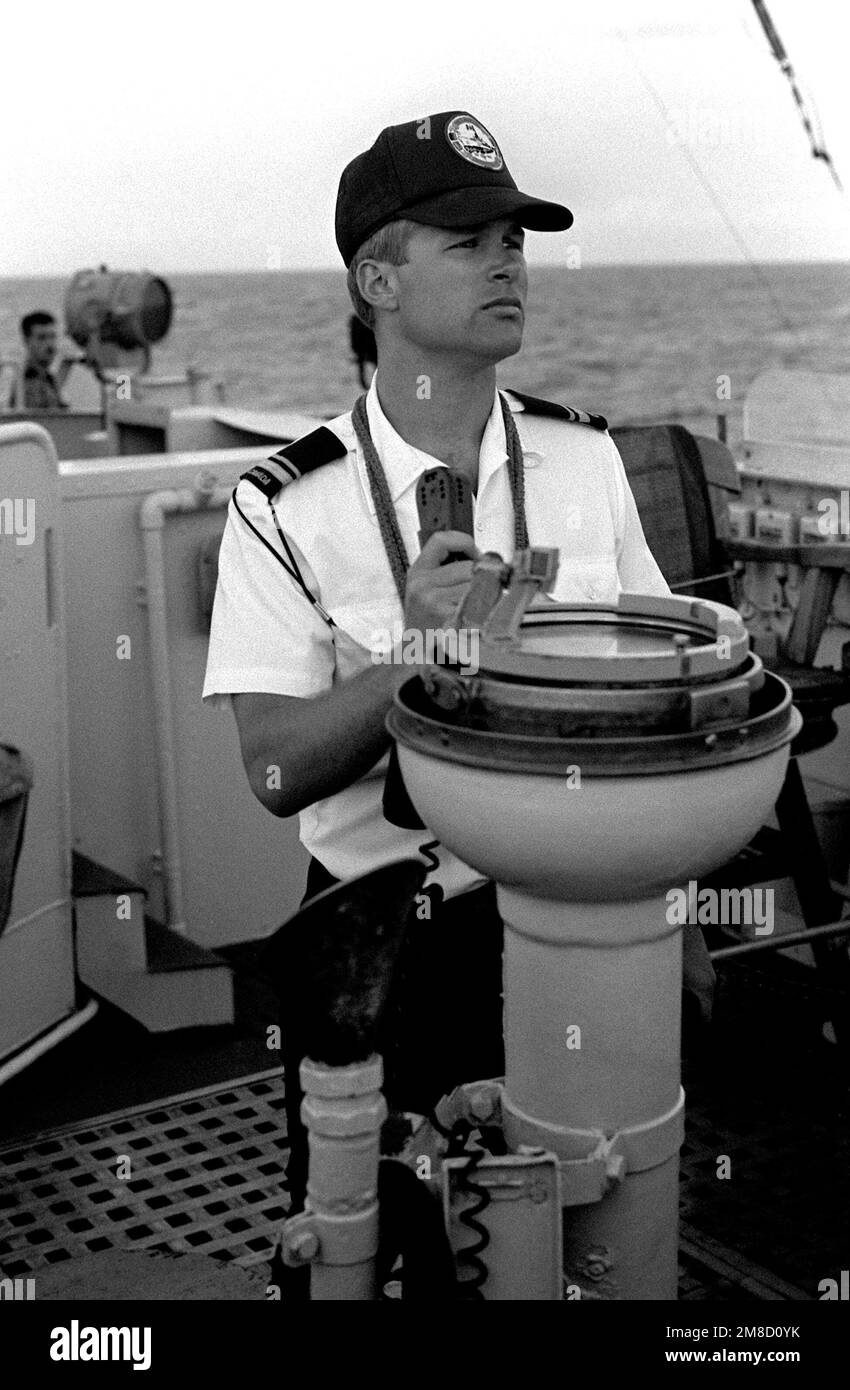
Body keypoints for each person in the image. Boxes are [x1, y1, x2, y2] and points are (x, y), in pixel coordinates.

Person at [203, 110, 714, 1218]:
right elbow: (275, 775)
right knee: (366, 1231)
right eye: (467, 239)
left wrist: (674, 911)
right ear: (376, 284)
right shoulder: (283, 508)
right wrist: (416, 656)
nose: (507, 264)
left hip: (574, 907)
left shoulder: (586, 461)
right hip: (384, 938)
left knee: (593, 1212)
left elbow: (668, 701)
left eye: (515, 240)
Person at [11, 312, 72, 410]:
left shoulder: (48, 379)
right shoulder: (27, 384)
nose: (50, 344)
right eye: (41, 338)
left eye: (52, 336)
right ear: (26, 341)